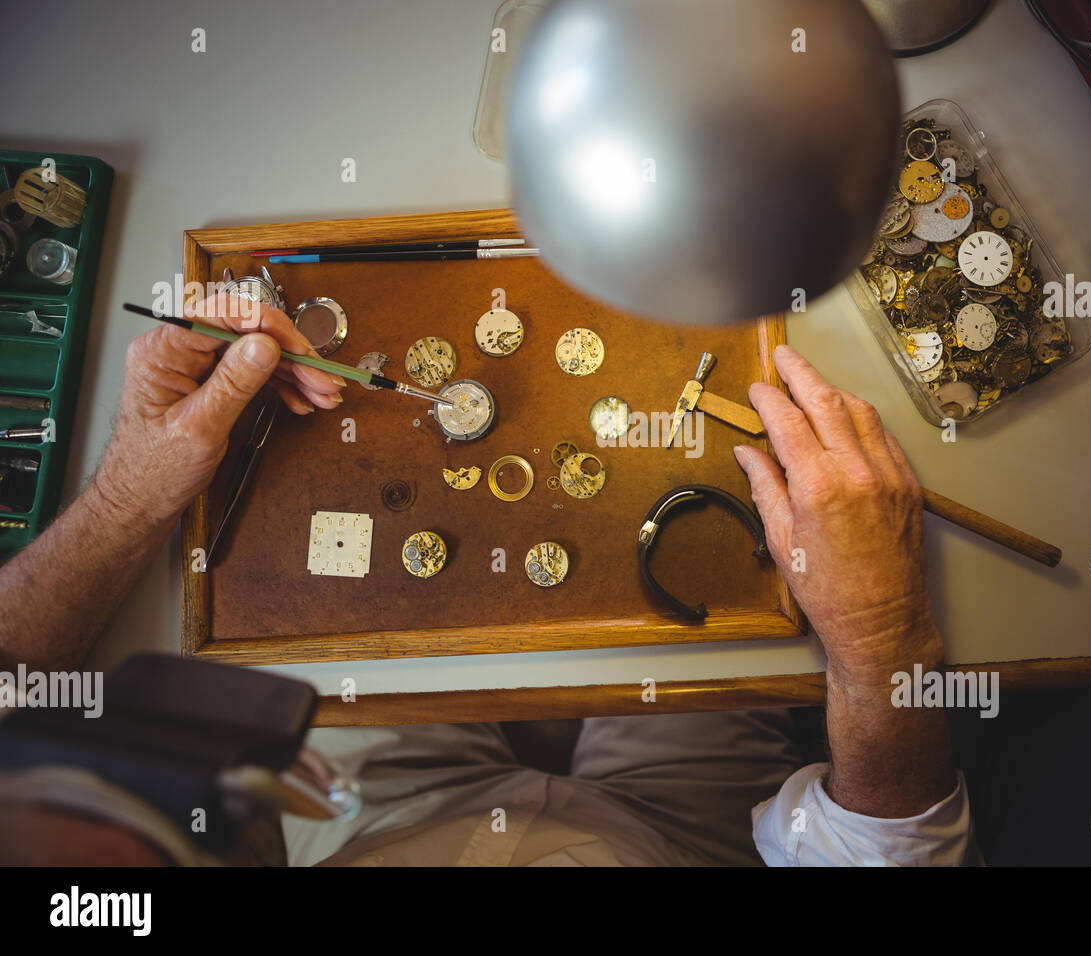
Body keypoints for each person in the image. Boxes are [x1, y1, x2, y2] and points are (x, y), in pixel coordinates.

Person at [0, 295, 976, 866]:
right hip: (671, 839)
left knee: (373, 634)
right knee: (714, 647)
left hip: (379, 815)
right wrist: (882, 640)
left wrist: (127, 497)